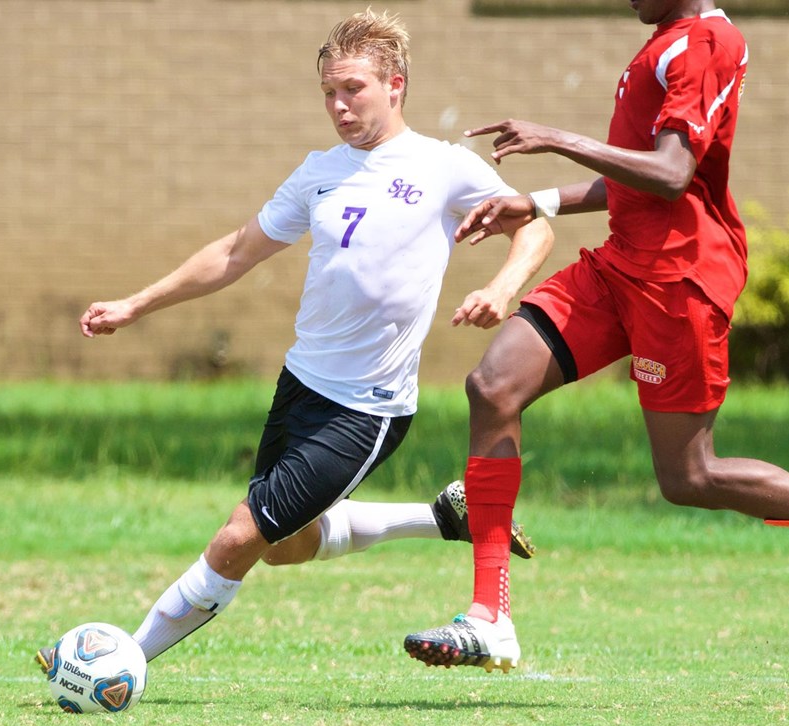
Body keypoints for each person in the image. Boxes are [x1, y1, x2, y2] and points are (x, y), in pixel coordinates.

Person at [35, 8, 553, 671]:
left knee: (239, 535)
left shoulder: (444, 167)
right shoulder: (319, 171)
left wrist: (502, 288)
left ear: (395, 84)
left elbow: (533, 225)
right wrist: (138, 303)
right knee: (281, 543)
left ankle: (115, 661)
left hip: (366, 409)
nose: (339, 106)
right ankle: (443, 516)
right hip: (300, 384)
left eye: (353, 90)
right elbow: (236, 250)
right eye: (329, 93)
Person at [403, 0, 789, 674]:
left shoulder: (706, 42)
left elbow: (670, 175)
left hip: (678, 282)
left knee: (689, 477)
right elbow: (636, 182)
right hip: (619, 267)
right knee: (493, 386)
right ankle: (490, 617)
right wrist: (539, 201)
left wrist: (553, 135)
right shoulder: (667, 40)